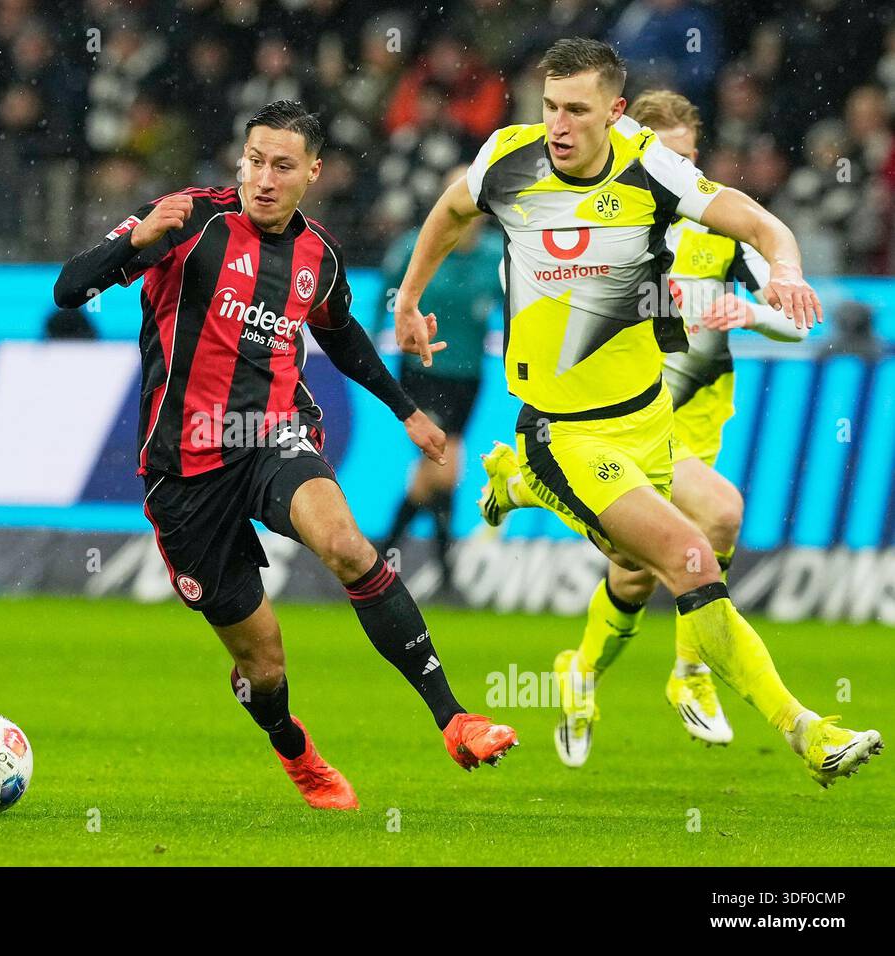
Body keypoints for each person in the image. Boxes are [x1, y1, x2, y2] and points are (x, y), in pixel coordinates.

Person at [395, 39, 881, 787]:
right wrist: (408, 296)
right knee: (688, 557)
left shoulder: (648, 165)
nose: (558, 124)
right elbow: (452, 208)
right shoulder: (508, 158)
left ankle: (515, 484)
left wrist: (783, 269)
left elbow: (751, 216)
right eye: (550, 106)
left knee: (673, 544)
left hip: (649, 419)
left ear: (614, 113)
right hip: (566, 430)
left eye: (577, 110)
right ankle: (806, 731)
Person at [55, 100, 518, 810]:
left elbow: (341, 335)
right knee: (261, 662)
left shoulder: (319, 256)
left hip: (272, 436)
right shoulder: (185, 221)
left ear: (313, 173)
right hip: (183, 469)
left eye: (282, 166)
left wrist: (407, 412)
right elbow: (68, 289)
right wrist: (131, 242)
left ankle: (454, 718)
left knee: (348, 545)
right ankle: (292, 747)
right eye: (254, 162)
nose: (263, 179)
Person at [476, 88, 812, 766]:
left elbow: (795, 322)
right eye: (674, 159)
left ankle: (580, 671)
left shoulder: (718, 234)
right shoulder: (609, 231)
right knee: (718, 515)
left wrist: (754, 312)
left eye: (693, 158)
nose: (687, 174)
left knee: (632, 575)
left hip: (693, 423)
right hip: (627, 426)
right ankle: (693, 674)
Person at [375, 167, 503, 586]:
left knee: (442, 469)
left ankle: (382, 555)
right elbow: (388, 292)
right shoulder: (417, 245)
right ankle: (443, 567)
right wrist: (380, 338)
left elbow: (518, 306)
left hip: (469, 378)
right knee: (443, 466)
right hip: (423, 372)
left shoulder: (493, 258)